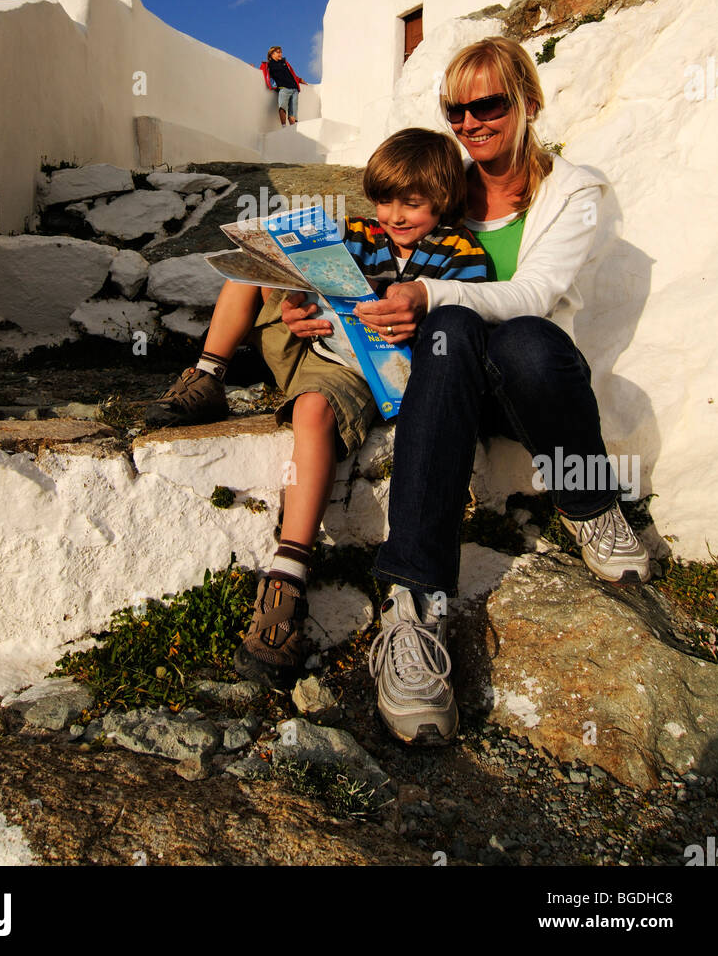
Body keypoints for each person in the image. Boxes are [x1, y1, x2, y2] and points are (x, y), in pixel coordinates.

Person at [309, 35, 649, 747]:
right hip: (446, 376)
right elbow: (383, 271)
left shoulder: (573, 190)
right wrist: (331, 311)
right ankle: (413, 606)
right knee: (451, 333)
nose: (469, 122)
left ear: (528, 102)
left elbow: (535, 291)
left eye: (486, 103)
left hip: (533, 380)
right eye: (454, 109)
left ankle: (590, 504)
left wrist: (427, 295)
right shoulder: (439, 188)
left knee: (521, 334)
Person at [144, 128, 488, 688]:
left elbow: (464, 331)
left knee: (310, 413)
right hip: (316, 343)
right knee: (250, 266)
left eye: (413, 203)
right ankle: (206, 375)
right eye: (384, 201)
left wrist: (417, 321)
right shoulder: (358, 232)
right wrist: (300, 308)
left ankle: (287, 577)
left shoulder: (459, 255)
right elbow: (312, 287)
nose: (394, 217)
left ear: (445, 199)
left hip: (368, 376)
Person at [261, 45, 306, 126]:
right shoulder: (268, 65)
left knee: (293, 113)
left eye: (281, 52)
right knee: (282, 107)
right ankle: (284, 127)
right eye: (277, 52)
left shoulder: (285, 63)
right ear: (271, 54)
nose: (280, 54)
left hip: (294, 88)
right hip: (283, 88)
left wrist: (300, 80)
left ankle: (294, 129)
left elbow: (292, 74)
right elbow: (263, 72)